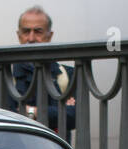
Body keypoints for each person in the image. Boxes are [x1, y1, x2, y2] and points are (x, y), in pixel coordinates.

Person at [4, 6, 76, 134]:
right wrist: (57, 111)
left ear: (50, 35)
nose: (31, 38)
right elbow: (4, 118)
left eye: (38, 31)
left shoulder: (68, 75)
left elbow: (74, 117)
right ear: (18, 35)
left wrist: (31, 111)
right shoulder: (2, 76)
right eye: (26, 31)